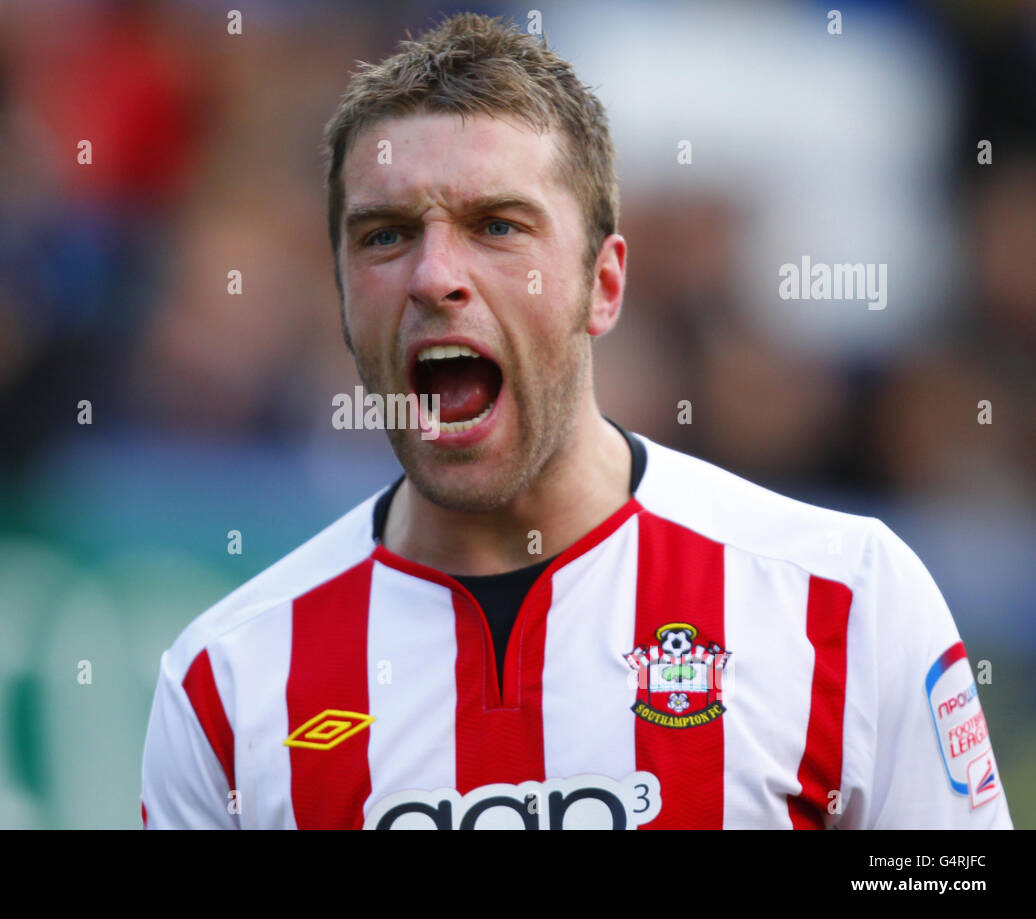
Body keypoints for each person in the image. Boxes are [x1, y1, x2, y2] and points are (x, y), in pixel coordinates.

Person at [141, 12, 1011, 829]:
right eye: (385, 234)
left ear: (604, 284)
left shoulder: (844, 601)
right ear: (338, 292)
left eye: (496, 226)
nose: (434, 275)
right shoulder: (228, 681)